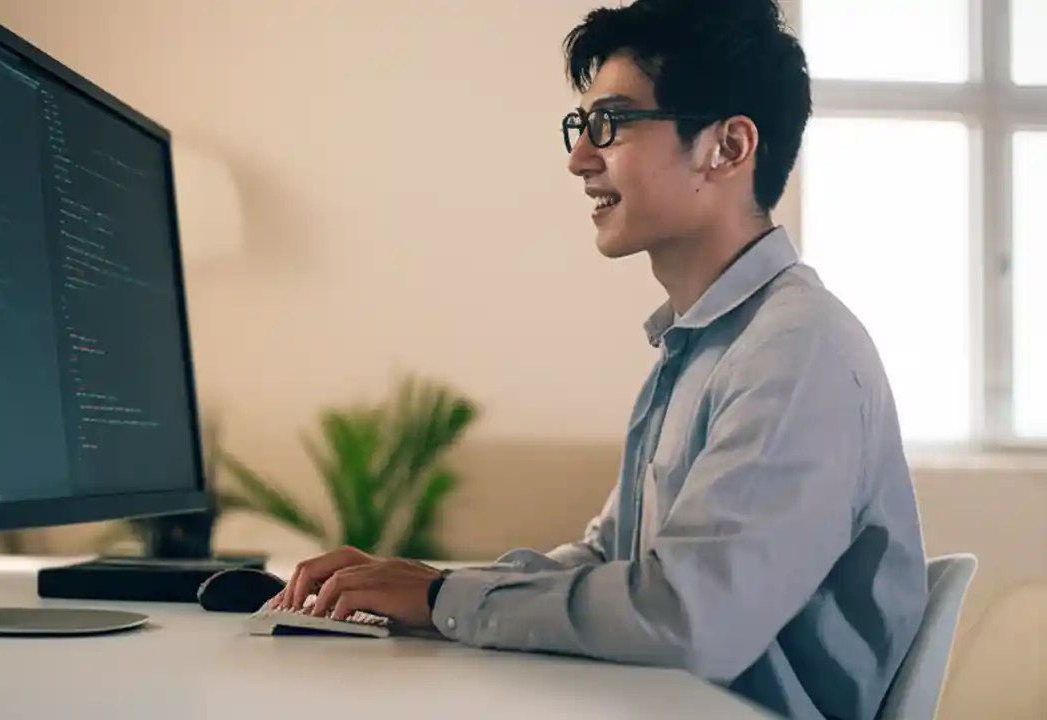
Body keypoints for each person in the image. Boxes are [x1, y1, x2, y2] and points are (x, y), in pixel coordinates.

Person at [267, 1, 928, 717]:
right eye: (580, 128)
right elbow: (610, 564)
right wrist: (422, 586)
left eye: (609, 124)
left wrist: (440, 597)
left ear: (729, 147)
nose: (580, 157)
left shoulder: (799, 351)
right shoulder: (701, 346)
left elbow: (690, 620)